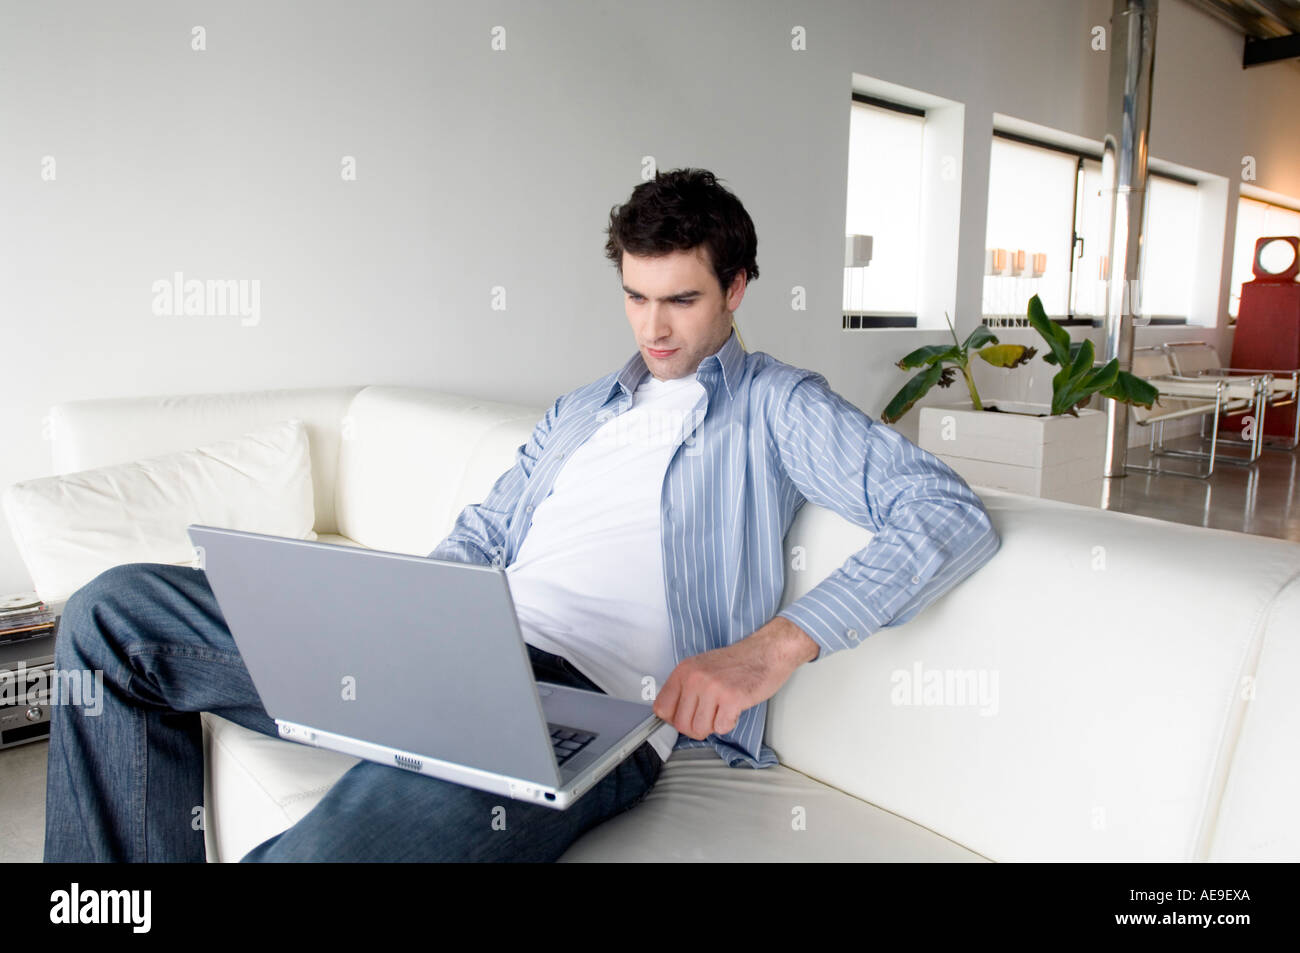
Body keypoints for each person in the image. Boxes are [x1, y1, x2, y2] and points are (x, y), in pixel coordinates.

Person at [43, 168, 1000, 862]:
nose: (653, 327)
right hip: (447, 647)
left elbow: (945, 510)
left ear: (738, 289)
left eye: (681, 300)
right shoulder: (582, 408)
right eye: (634, 295)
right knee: (110, 613)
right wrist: (394, 609)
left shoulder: (778, 406)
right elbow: (485, 535)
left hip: (576, 701)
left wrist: (773, 646)